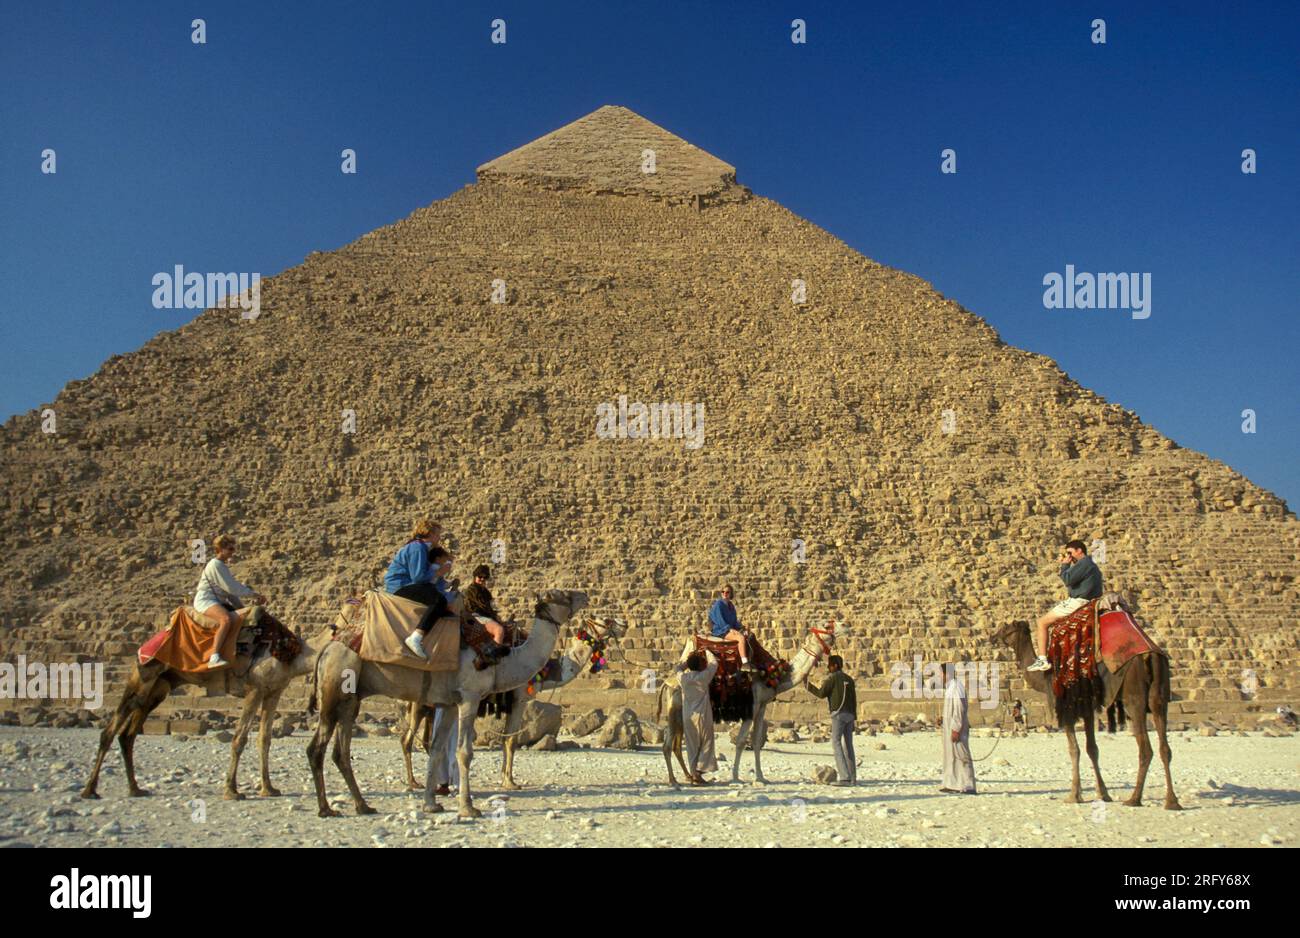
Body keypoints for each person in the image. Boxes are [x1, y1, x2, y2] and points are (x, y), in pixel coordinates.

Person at [383, 518, 460, 661]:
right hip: (400, 586)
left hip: (405, 584)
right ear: (429, 534)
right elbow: (418, 577)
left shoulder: (419, 547)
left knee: (438, 597)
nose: (439, 538)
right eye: (437, 534)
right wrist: (440, 571)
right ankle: (416, 637)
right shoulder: (418, 547)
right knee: (439, 600)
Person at [1028, 540, 1104, 671]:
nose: (1069, 556)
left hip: (1079, 601)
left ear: (1080, 551)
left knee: (1042, 623)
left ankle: (1042, 659)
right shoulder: (1089, 564)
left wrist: (1064, 566)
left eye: (1070, 553)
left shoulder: (1084, 563)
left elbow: (1067, 579)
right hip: (1086, 600)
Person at [194, 534, 266, 669]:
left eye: (234, 549)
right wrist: (254, 595)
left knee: (242, 617)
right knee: (226, 619)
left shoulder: (222, 566)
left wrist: (244, 608)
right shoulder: (215, 565)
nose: (233, 552)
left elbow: (230, 594)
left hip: (218, 600)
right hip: (206, 600)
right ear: (220, 549)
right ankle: (214, 656)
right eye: (230, 549)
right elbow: (232, 588)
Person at [805, 655, 857, 785]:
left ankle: (844, 777)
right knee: (849, 745)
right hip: (850, 715)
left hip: (839, 714)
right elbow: (854, 700)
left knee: (836, 742)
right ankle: (852, 777)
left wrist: (807, 684)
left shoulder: (832, 678)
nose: (828, 668)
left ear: (834, 666)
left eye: (829, 665)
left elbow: (821, 693)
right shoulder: (850, 679)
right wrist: (854, 717)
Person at [676, 650, 719, 785]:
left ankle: (694, 773)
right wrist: (706, 651)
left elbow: (677, 668)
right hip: (702, 715)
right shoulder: (703, 677)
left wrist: (685, 664)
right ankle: (698, 773)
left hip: (687, 716)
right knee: (707, 743)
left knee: (692, 745)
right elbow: (714, 663)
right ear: (700, 665)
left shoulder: (683, 678)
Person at [940, 663, 977, 794]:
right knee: (951, 756)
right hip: (950, 727)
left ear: (946, 674)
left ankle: (968, 785)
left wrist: (956, 728)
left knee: (961, 755)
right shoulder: (950, 688)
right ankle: (952, 783)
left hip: (957, 728)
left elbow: (959, 709)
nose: (939, 676)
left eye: (941, 673)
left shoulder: (956, 687)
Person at [463, 564, 511, 652]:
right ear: (475, 576)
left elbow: (488, 607)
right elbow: (483, 607)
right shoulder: (472, 589)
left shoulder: (484, 591)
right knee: (499, 630)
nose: (482, 579)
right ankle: (492, 657)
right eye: (480, 576)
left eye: (484, 577)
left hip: (484, 616)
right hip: (476, 616)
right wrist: (495, 619)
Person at [708, 584, 756, 671]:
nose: (725, 594)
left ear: (731, 594)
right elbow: (720, 621)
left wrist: (742, 627)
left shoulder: (731, 606)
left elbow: (734, 621)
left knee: (749, 635)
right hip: (720, 631)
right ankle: (744, 663)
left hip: (729, 629)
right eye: (723, 592)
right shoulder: (718, 604)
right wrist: (731, 629)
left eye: (727, 592)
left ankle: (752, 660)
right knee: (740, 638)